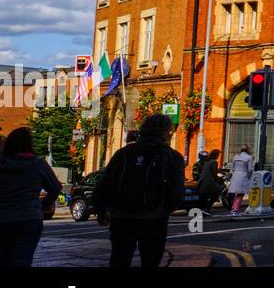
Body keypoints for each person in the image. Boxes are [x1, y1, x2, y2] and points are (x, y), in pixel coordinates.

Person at [95, 113, 186, 268]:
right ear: (166, 132)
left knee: (119, 259)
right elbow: (177, 190)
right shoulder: (173, 157)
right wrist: (165, 209)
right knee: (150, 260)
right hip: (153, 218)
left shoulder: (123, 153)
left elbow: (106, 183)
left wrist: (101, 209)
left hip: (122, 216)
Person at [0, 126, 61, 267]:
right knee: (22, 260)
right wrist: (44, 204)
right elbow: (55, 187)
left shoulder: (0, 165)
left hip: (1, 218)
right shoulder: (38, 165)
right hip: (29, 217)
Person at [228, 146, 253, 216]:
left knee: (236, 194)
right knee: (240, 194)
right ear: (248, 150)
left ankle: (233, 208)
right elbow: (250, 169)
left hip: (235, 175)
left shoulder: (236, 157)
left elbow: (233, 168)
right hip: (244, 175)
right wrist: (249, 176)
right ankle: (235, 210)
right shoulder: (249, 157)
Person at [197, 148, 222, 212]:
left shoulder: (207, 161)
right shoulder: (214, 162)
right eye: (218, 155)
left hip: (202, 181)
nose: (218, 156)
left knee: (205, 196)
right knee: (218, 191)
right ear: (215, 155)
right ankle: (207, 208)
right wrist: (217, 179)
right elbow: (214, 173)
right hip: (209, 182)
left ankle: (204, 208)